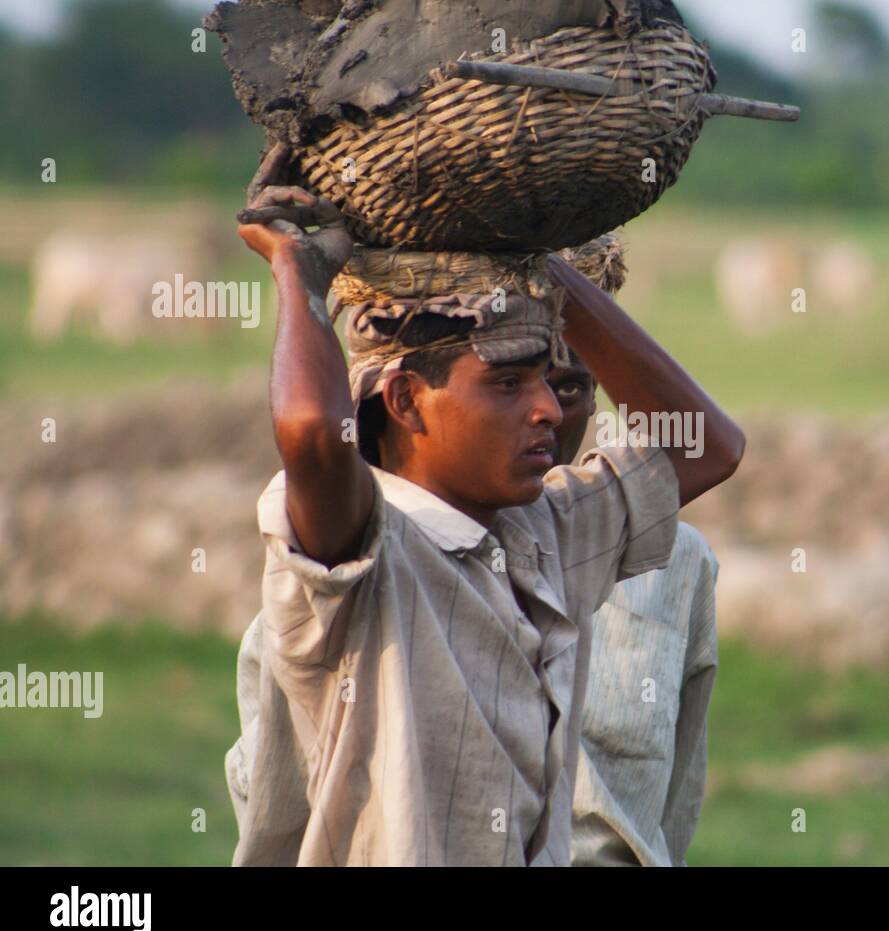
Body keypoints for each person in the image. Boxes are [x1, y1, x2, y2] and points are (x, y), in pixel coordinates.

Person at [224, 179, 744, 866]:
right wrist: (299, 273)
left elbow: (706, 446)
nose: (550, 414)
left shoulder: (546, 532)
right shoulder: (361, 553)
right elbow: (316, 433)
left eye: (555, 384)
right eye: (507, 384)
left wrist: (538, 265)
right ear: (407, 400)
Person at [546, 355, 720, 866]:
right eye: (513, 381)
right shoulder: (400, 544)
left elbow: (675, 809)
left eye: (571, 389)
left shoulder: (677, 562)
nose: (545, 411)